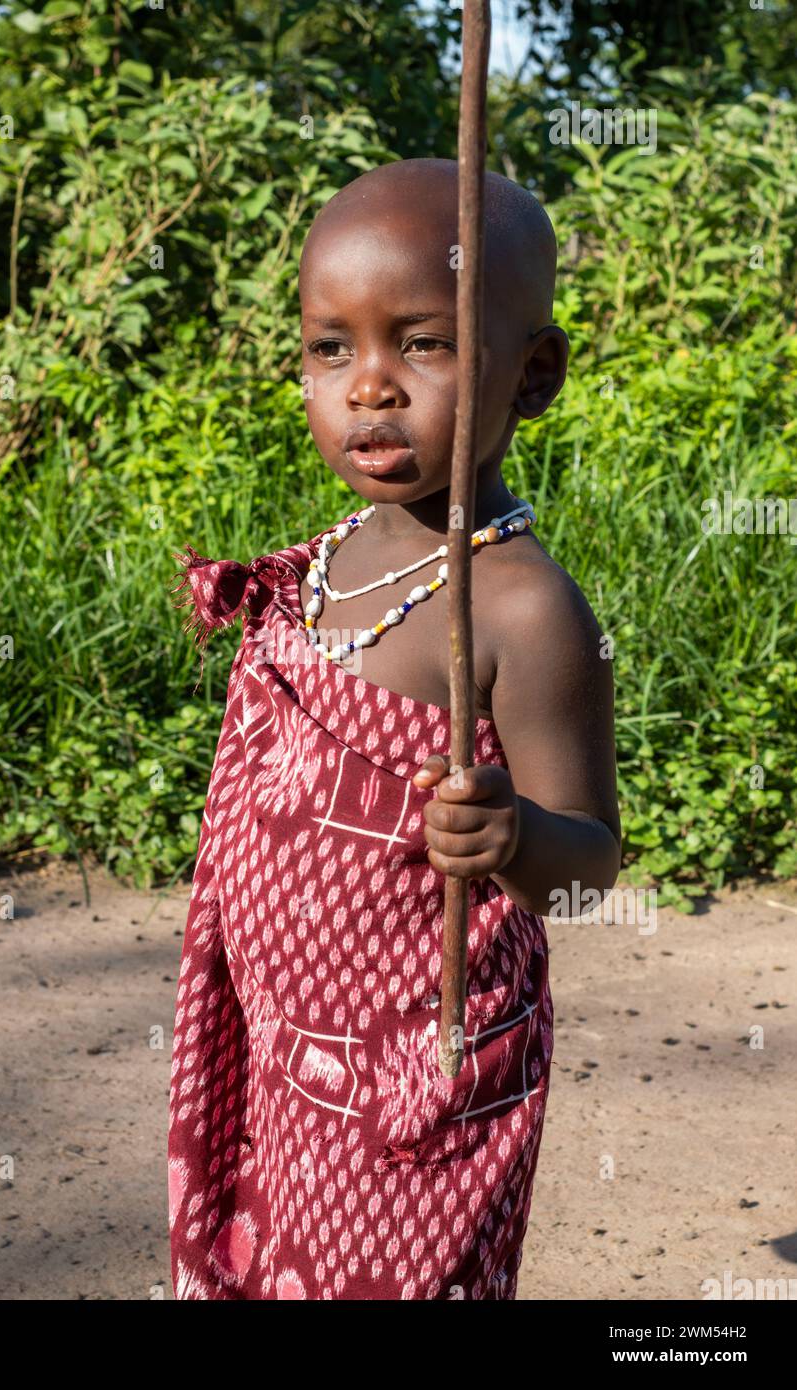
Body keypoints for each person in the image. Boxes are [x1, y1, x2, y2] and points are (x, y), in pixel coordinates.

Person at [166, 159, 621, 1300]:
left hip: (423, 1081)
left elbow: (586, 873)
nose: (370, 388)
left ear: (535, 372)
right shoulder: (324, 564)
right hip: (276, 1045)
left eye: (422, 345)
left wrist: (513, 836)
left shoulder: (521, 608)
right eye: (333, 348)